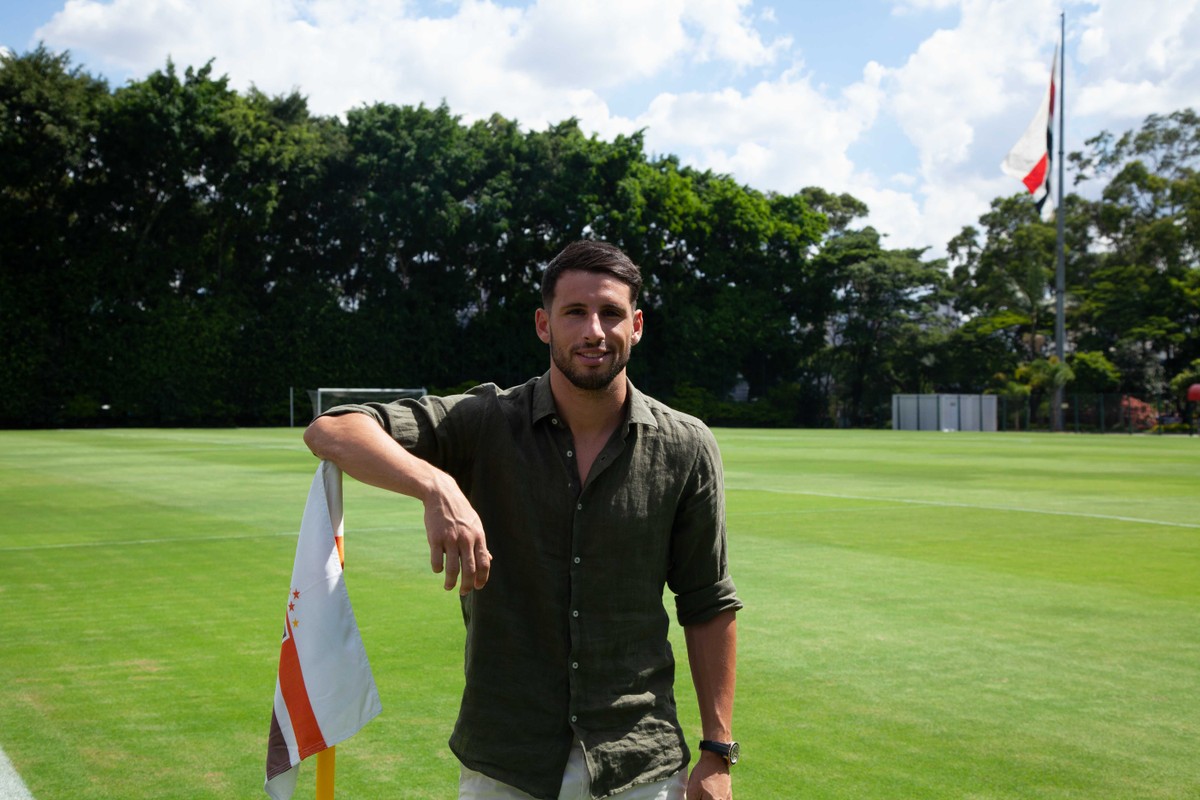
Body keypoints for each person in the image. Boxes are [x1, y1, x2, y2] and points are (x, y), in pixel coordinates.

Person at [303, 239, 742, 800]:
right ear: (543, 324)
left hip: (638, 762)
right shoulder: (484, 421)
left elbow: (708, 601)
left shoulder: (686, 445)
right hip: (505, 761)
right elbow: (333, 430)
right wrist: (436, 485)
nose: (593, 331)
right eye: (574, 312)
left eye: (610, 313)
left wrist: (717, 752)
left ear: (636, 325)